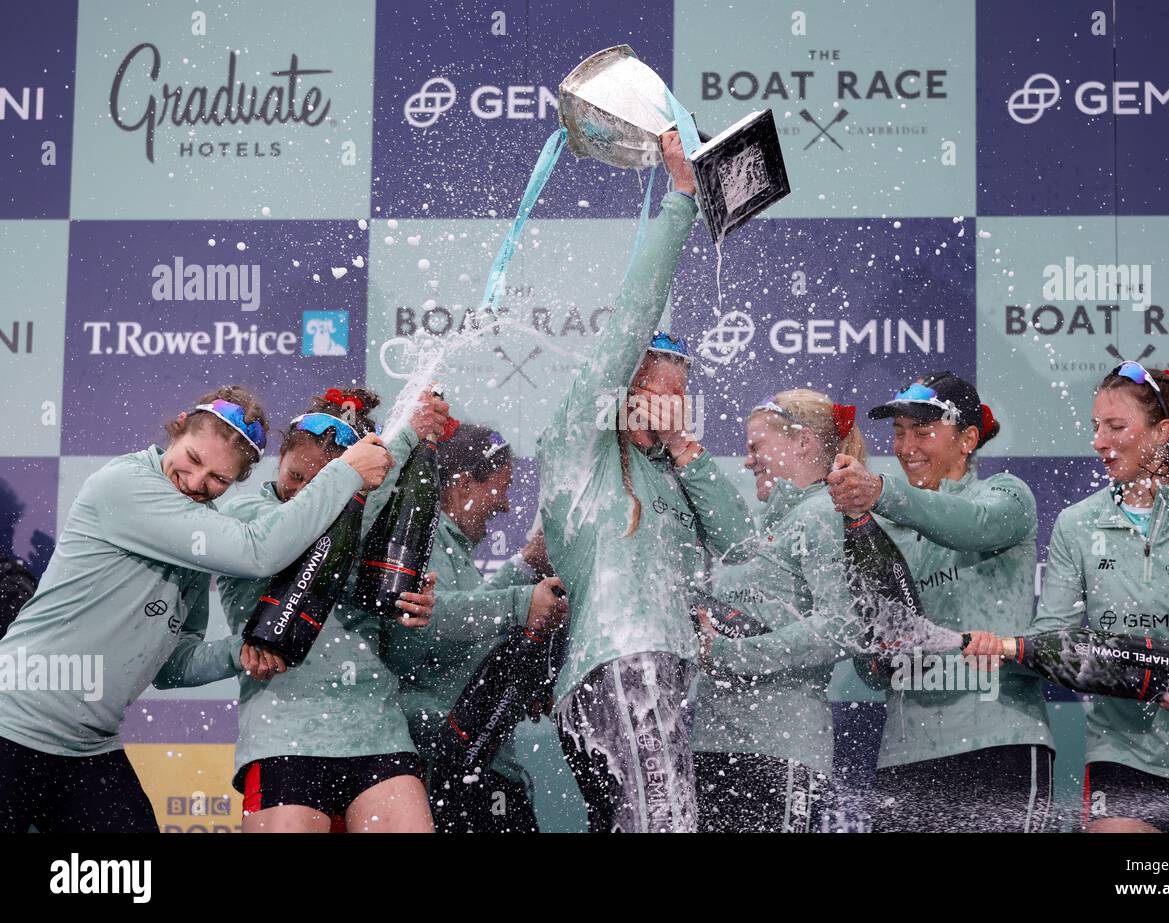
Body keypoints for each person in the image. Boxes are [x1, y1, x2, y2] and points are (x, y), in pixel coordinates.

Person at [0, 386, 392, 833]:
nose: (194, 482)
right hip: (10, 725)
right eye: (192, 458)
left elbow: (171, 666)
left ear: (236, 483)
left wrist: (241, 650)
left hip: (87, 748)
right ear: (178, 427)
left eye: (218, 479)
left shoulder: (192, 539)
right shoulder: (125, 484)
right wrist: (343, 474)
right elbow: (258, 552)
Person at [536, 131, 756, 832]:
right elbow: (633, 315)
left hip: (654, 673)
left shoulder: (669, 469)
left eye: (682, 398)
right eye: (661, 393)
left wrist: (688, 448)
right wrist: (682, 201)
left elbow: (742, 547)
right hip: (621, 666)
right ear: (624, 385)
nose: (671, 409)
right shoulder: (580, 447)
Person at [970, 362, 1169, 832]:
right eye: (1095, 427)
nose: (1098, 440)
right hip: (1120, 749)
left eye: (1115, 426)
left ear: (1161, 432)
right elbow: (1053, 634)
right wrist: (1006, 649)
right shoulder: (1076, 524)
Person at [156, 386, 450, 833]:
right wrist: (404, 437)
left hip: (376, 729)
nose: (304, 493)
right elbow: (305, 547)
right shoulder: (245, 517)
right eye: (295, 476)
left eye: (322, 481)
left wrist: (411, 611)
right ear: (279, 461)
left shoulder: (368, 523)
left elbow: (402, 650)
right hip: (282, 737)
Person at [827, 371, 1054, 832]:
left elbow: (971, 524)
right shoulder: (882, 526)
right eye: (899, 431)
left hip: (998, 741)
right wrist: (872, 660)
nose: (906, 446)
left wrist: (884, 494)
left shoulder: (1006, 494)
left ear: (968, 438)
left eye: (924, 432)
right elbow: (871, 638)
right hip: (905, 754)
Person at [379, 421, 568, 832]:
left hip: (476, 753)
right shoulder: (420, 541)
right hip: (449, 755)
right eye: (499, 488)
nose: (503, 505)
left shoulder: (449, 546)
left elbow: (466, 623)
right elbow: (429, 620)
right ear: (463, 485)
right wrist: (522, 603)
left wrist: (525, 566)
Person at [692, 390, 864, 832]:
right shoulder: (765, 526)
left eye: (756, 447)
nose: (748, 461)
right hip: (712, 742)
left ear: (803, 442)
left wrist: (728, 654)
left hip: (779, 750)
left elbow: (841, 628)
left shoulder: (824, 514)